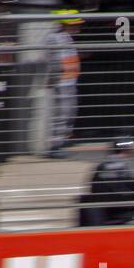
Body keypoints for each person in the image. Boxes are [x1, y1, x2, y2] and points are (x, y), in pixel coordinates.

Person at [81, 136, 134, 226]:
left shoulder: (101, 166)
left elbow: (93, 188)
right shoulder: (130, 166)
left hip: (104, 210)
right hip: (127, 209)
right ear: (127, 149)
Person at [46, 9, 83, 159]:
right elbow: (54, 62)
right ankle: (55, 146)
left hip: (69, 81)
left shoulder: (66, 37)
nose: (77, 27)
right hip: (62, 82)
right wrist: (54, 79)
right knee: (62, 114)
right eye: (74, 24)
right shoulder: (55, 38)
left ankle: (61, 141)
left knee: (69, 112)